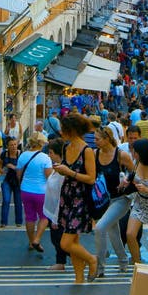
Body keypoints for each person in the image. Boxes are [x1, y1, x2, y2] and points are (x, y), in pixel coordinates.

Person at [52, 114, 97, 283]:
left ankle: (92, 259)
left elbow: (91, 178)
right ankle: (79, 278)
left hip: (81, 199)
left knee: (66, 243)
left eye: (64, 129)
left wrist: (69, 172)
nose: (61, 132)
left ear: (71, 130)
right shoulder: (66, 147)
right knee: (73, 240)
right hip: (67, 196)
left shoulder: (87, 151)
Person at [92, 126, 134, 276]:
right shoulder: (95, 154)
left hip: (121, 199)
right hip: (103, 200)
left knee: (100, 228)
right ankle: (123, 261)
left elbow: (134, 171)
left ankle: (99, 268)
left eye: (97, 139)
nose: (94, 141)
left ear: (107, 139)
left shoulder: (121, 155)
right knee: (113, 232)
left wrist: (126, 180)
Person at [17, 134, 53, 252]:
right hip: (41, 191)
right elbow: (49, 177)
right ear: (41, 143)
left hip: (25, 190)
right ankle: (37, 239)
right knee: (44, 217)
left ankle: (31, 241)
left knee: (30, 217)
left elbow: (19, 175)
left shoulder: (23, 155)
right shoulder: (45, 158)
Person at [44, 138, 67, 271]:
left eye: (51, 152)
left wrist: (55, 217)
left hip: (58, 213)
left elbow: (61, 195)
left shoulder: (62, 171)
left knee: (61, 241)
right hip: (52, 210)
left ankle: (85, 258)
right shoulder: (56, 167)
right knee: (56, 239)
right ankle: (60, 262)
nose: (49, 155)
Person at [0, 137, 23, 228]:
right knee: (6, 200)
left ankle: (19, 221)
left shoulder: (21, 154)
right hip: (7, 180)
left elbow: (24, 166)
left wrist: (14, 167)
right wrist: (1, 170)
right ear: (7, 146)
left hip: (17, 180)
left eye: (15, 144)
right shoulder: (4, 154)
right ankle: (3, 222)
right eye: (11, 145)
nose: (13, 147)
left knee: (18, 201)